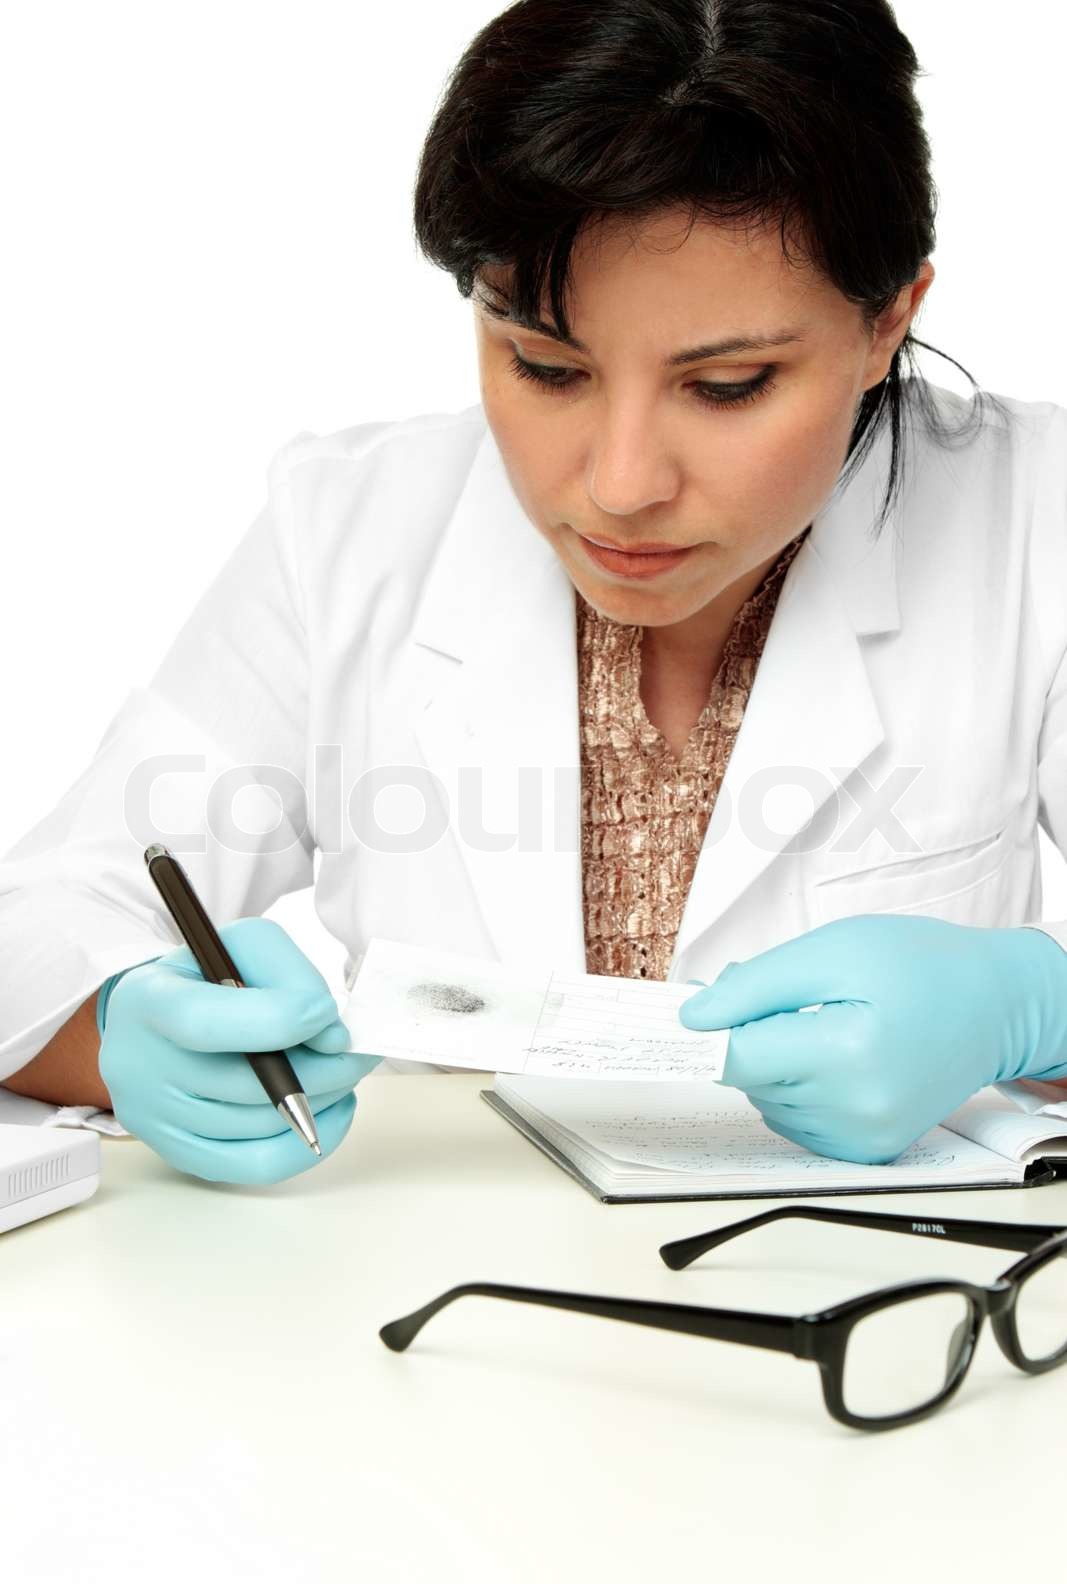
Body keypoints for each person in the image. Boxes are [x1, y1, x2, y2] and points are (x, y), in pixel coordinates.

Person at [3, 0, 1067, 1185]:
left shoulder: (1034, 516)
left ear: (887, 323)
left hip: (869, 1307)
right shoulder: (351, 527)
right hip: (426, 1306)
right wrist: (122, 1030)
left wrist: (1036, 1005)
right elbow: (46, 911)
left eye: (724, 385)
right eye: (545, 367)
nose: (618, 486)